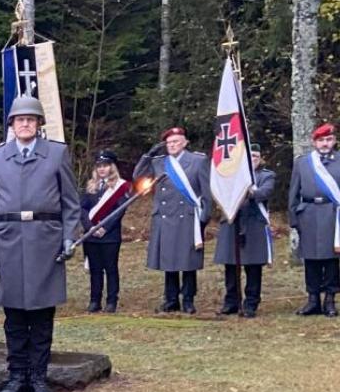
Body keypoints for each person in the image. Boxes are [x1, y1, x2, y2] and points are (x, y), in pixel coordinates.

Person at [0, 95, 79, 392]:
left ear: (38, 124)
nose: (25, 123)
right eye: (19, 119)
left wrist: (69, 238)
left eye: (30, 119)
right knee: (14, 315)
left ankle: (38, 377)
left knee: (42, 314)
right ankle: (16, 376)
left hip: (45, 240)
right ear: (11, 125)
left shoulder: (56, 155)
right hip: (9, 240)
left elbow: (71, 203)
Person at [134, 126, 211, 314]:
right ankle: (171, 299)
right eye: (168, 143)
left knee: (187, 262)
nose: (172, 145)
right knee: (169, 261)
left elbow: (206, 192)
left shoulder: (198, 161)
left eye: (176, 141)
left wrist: (204, 218)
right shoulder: (160, 162)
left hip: (188, 218)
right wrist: (147, 156)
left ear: (185, 143)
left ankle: (188, 299)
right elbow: (138, 177)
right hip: (165, 217)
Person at [214, 144, 274, 318]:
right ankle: (231, 301)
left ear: (260, 158)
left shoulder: (266, 175)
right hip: (232, 222)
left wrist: (245, 188)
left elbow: (263, 193)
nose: (252, 159)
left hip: (254, 224)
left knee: (253, 266)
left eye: (255, 156)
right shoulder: (230, 175)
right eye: (249, 157)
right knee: (230, 266)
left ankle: (251, 303)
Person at [288, 123, 340, 317]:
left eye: (328, 139)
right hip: (308, 213)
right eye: (321, 140)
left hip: (333, 215)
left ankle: (330, 300)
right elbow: (294, 192)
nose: (325, 144)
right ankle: (312, 300)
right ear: (314, 142)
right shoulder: (303, 163)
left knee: (331, 259)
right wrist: (293, 218)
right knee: (310, 259)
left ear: (334, 140)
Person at [80, 150, 131, 313]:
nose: (102, 169)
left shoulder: (119, 186)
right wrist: (89, 227)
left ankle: (111, 301)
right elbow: (82, 208)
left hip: (109, 235)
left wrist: (105, 228)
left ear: (112, 167)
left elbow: (120, 210)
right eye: (99, 166)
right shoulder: (90, 185)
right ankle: (95, 300)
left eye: (106, 166)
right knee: (95, 269)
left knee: (110, 268)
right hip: (91, 236)